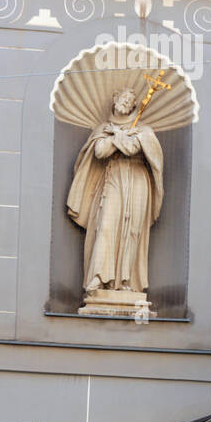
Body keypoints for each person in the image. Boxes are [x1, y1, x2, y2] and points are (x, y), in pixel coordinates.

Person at [66, 87, 164, 299]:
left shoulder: (143, 130)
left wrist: (117, 136)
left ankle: (126, 281)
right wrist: (121, 137)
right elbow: (100, 151)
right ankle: (99, 277)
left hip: (137, 180)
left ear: (134, 106)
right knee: (106, 225)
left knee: (132, 230)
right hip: (113, 178)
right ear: (115, 99)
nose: (126, 102)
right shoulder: (103, 128)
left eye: (131, 100)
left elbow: (131, 149)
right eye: (124, 98)